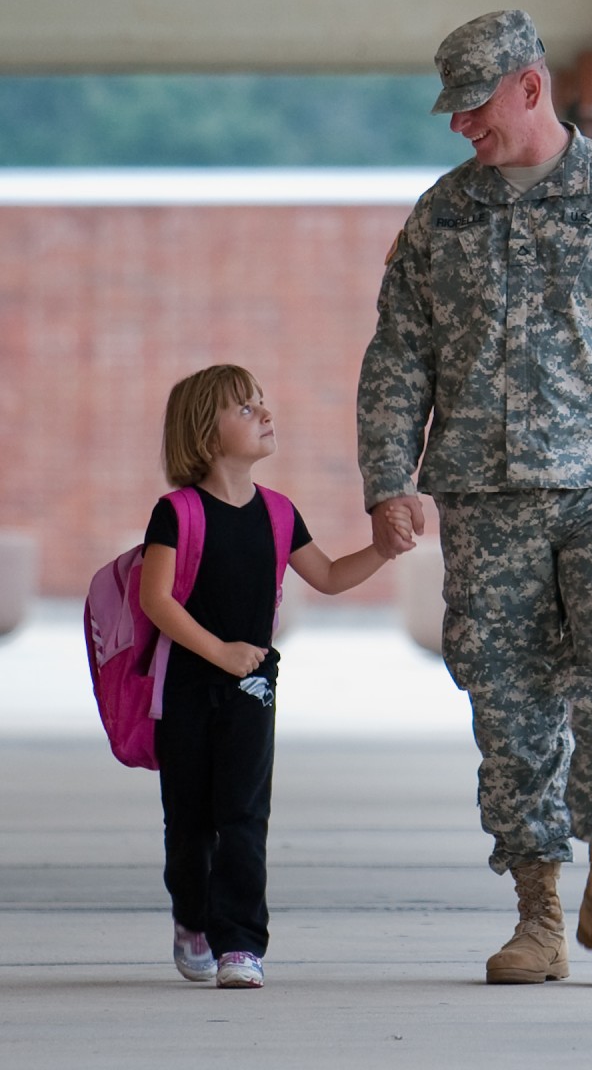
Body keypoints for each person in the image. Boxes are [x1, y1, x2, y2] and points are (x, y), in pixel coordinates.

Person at [357, 10, 592, 987]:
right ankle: (537, 917)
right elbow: (398, 352)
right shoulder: (441, 216)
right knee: (508, 703)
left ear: (529, 87)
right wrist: (385, 478)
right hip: (484, 494)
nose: (458, 127)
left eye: (473, 105)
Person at [139, 364, 412, 989]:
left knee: (243, 812)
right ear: (207, 436)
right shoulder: (176, 513)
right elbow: (158, 600)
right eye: (246, 409)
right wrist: (220, 652)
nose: (266, 414)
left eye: (263, 403)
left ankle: (240, 943)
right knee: (188, 821)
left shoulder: (279, 513)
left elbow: (330, 576)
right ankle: (191, 919)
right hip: (184, 687)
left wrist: (382, 550)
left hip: (252, 689)